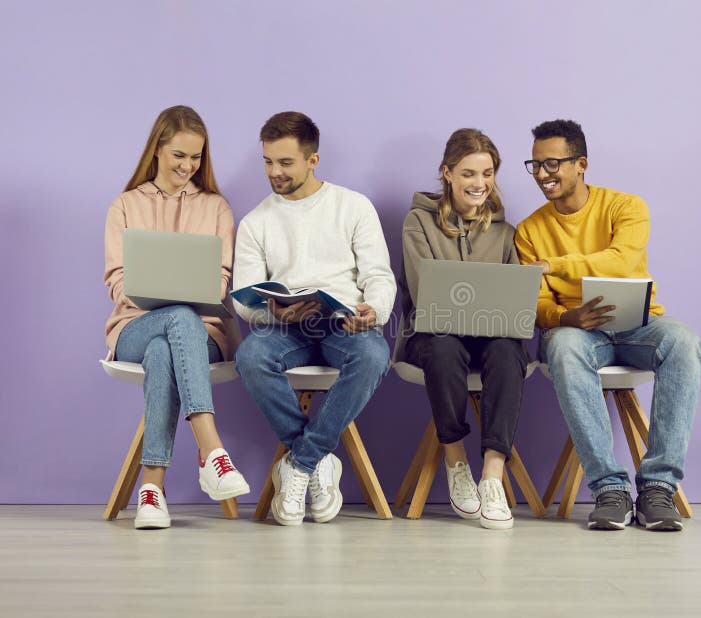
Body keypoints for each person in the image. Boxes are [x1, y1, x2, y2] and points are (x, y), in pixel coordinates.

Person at [515, 119, 701, 531]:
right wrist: (567, 316)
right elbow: (538, 302)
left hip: (638, 326)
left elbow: (621, 261)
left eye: (552, 164)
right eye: (535, 165)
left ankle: (658, 488)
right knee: (562, 344)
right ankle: (608, 488)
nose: (543, 175)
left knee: (683, 341)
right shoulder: (530, 229)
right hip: (579, 333)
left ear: (580, 163)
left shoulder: (626, 207)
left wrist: (555, 266)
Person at [233, 111, 396, 526]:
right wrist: (271, 309)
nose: (275, 172)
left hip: (344, 322)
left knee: (374, 356)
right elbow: (242, 297)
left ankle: (300, 464)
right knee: (251, 357)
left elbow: (379, 275)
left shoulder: (353, 206)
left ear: (313, 160)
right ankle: (317, 461)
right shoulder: (256, 222)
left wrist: (373, 310)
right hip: (286, 327)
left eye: (285, 163)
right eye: (268, 161)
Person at [103, 105, 250, 530]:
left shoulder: (216, 207)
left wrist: (185, 297)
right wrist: (160, 295)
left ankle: (152, 487)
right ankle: (212, 450)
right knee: (174, 319)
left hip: (203, 333)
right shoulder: (125, 205)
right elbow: (116, 280)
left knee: (169, 339)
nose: (188, 166)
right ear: (157, 151)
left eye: (196, 157)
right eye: (179, 156)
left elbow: (221, 280)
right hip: (133, 325)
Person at [396, 128, 529, 530]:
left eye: (487, 173)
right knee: (442, 346)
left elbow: (515, 302)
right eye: (469, 173)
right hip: (433, 334)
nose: (479, 183)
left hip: (491, 335)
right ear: (448, 174)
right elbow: (425, 294)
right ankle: (456, 463)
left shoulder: (506, 233)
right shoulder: (418, 223)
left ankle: (491, 476)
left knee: (509, 349)